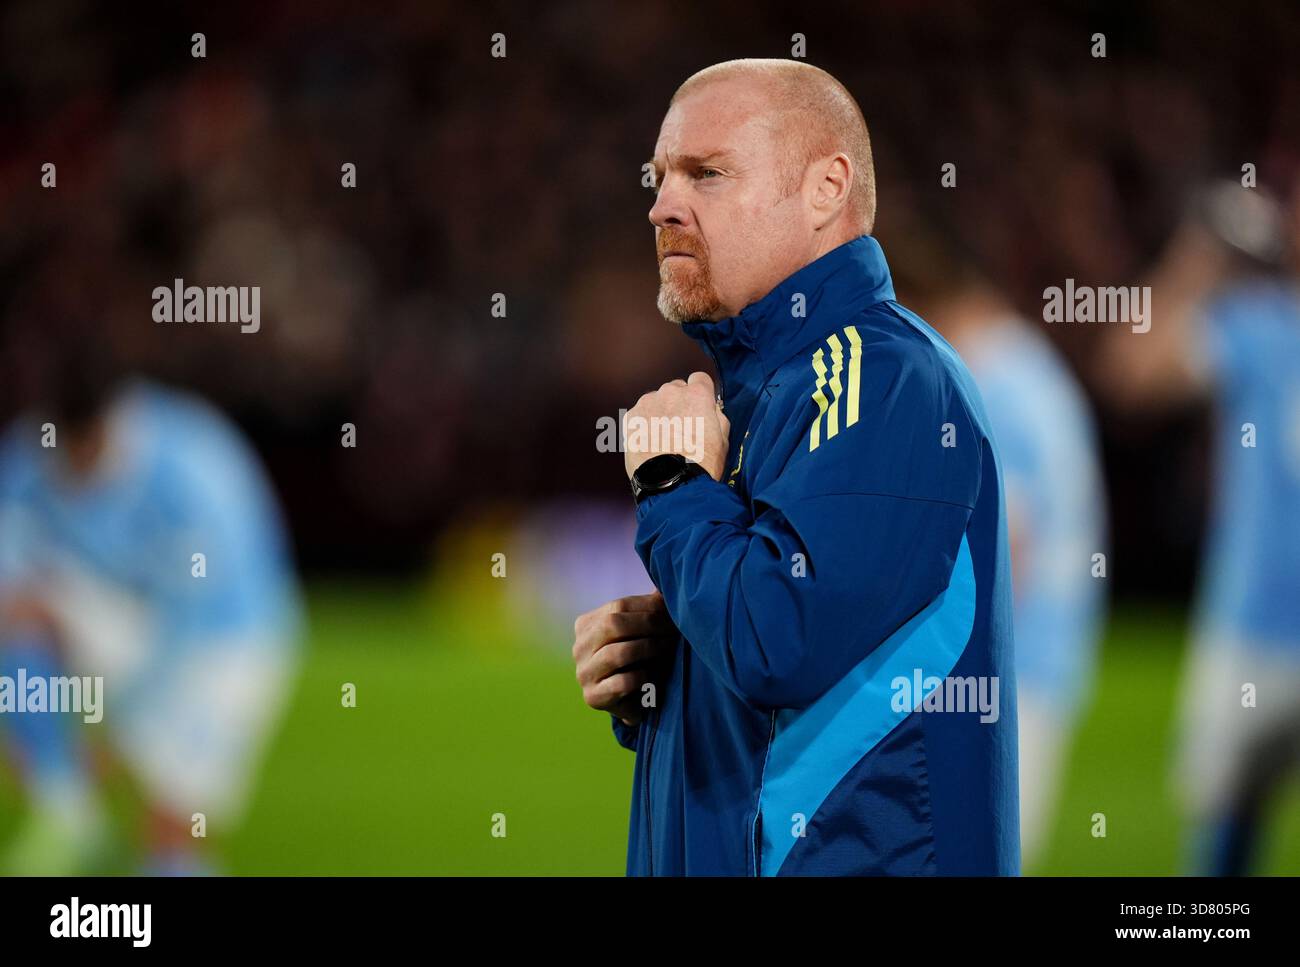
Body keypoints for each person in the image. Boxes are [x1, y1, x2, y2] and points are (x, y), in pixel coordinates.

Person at [571, 59, 1019, 875]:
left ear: (825, 188)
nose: (662, 204)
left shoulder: (880, 377)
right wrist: (669, 661)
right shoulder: (770, 388)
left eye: (706, 173)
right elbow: (791, 660)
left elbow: (779, 637)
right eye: (661, 174)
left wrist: (673, 490)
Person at [0, 328, 301, 874]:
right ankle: (60, 801)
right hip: (128, 615)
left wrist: (118, 747)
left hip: (227, 642)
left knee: (170, 828)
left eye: (84, 446)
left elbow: (199, 626)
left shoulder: (193, 471)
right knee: (18, 613)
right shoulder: (33, 451)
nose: (72, 462)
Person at [1098, 178, 1300, 875]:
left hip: (1251, 630)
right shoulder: (1262, 324)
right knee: (1226, 836)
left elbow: (1131, 369)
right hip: (1252, 626)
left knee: (1223, 849)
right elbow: (1133, 373)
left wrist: (1195, 260)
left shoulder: (1260, 324)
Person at [904, 233, 1107, 869]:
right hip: (1047, 659)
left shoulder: (984, 380)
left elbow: (1006, 545)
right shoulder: (1032, 367)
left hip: (1001, 679)